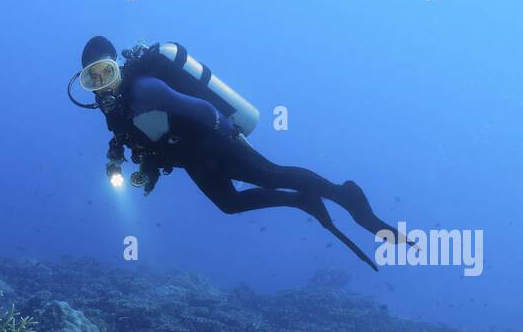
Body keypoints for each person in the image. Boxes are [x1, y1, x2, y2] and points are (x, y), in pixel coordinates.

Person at [71, 36, 402, 269]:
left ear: (117, 65)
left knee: (271, 174)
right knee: (230, 205)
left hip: (213, 142)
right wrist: (144, 167)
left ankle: (347, 198)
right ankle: (301, 201)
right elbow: (140, 140)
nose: (101, 82)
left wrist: (228, 134)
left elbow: (199, 107)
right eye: (92, 78)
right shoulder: (114, 109)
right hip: (190, 157)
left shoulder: (144, 88)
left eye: (106, 71)